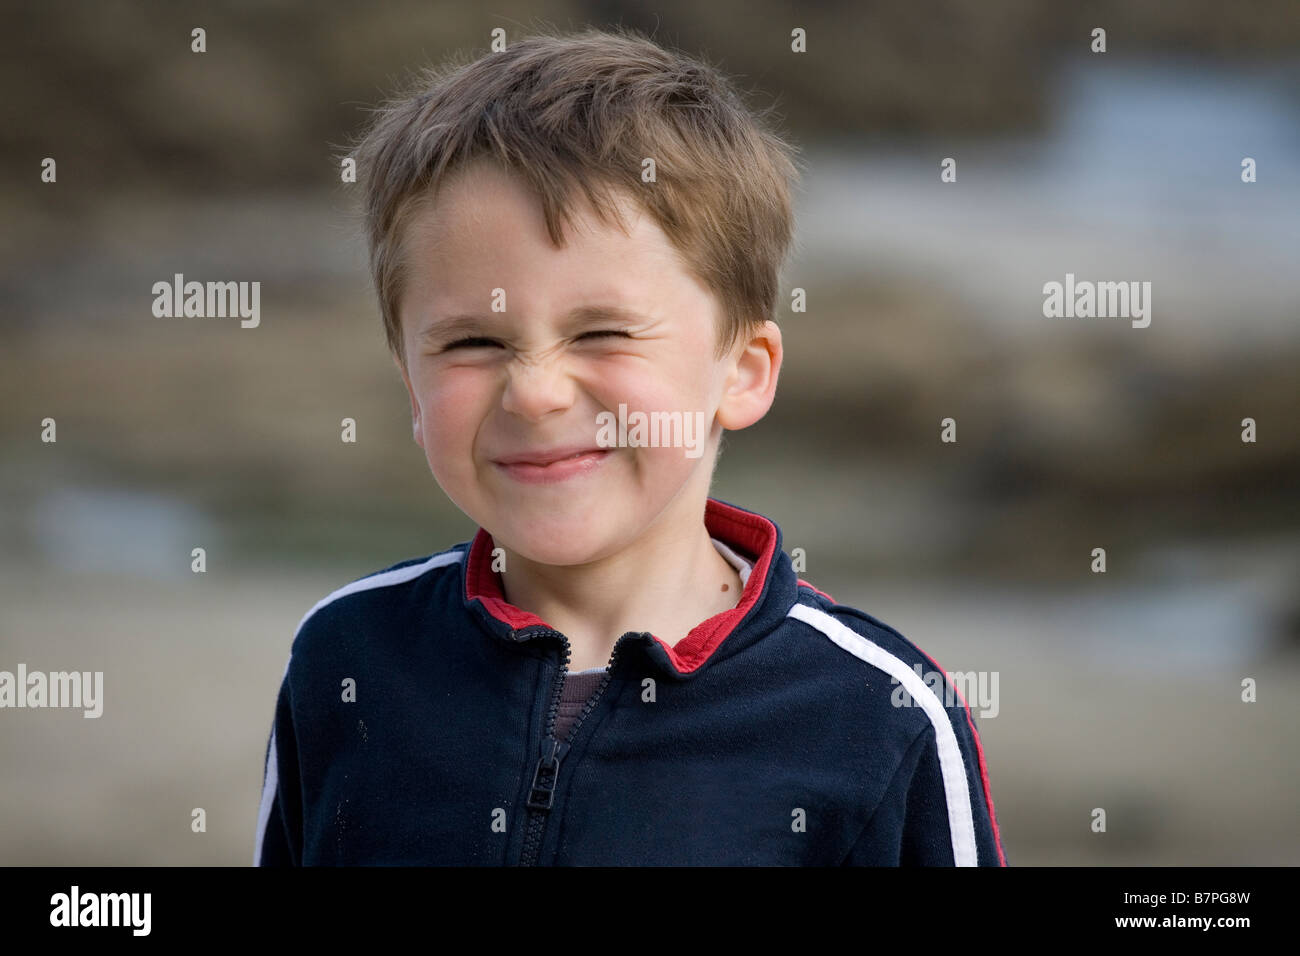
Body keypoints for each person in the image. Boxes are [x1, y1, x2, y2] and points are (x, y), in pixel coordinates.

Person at [255, 25, 1006, 866]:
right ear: (409, 383)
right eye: (472, 343)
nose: (535, 391)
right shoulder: (347, 657)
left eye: (604, 332)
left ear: (744, 373)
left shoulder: (878, 714)